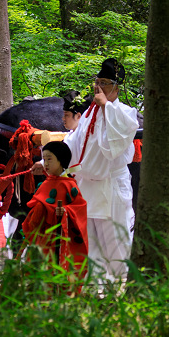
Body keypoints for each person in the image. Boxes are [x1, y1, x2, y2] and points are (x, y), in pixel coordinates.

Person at [54, 58, 139, 284]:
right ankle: (95, 287)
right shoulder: (88, 114)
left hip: (111, 185)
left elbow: (116, 145)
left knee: (115, 242)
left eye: (104, 83)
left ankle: (120, 285)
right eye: (97, 82)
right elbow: (74, 144)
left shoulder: (124, 113)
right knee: (89, 242)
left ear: (116, 88)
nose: (98, 87)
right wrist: (53, 161)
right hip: (87, 186)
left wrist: (106, 107)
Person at [23, 141, 88, 283]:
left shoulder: (69, 184)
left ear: (61, 160)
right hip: (42, 237)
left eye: (49, 159)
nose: (45, 163)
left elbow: (80, 207)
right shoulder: (46, 183)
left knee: (56, 268)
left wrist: (65, 211)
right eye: (44, 159)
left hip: (59, 238)